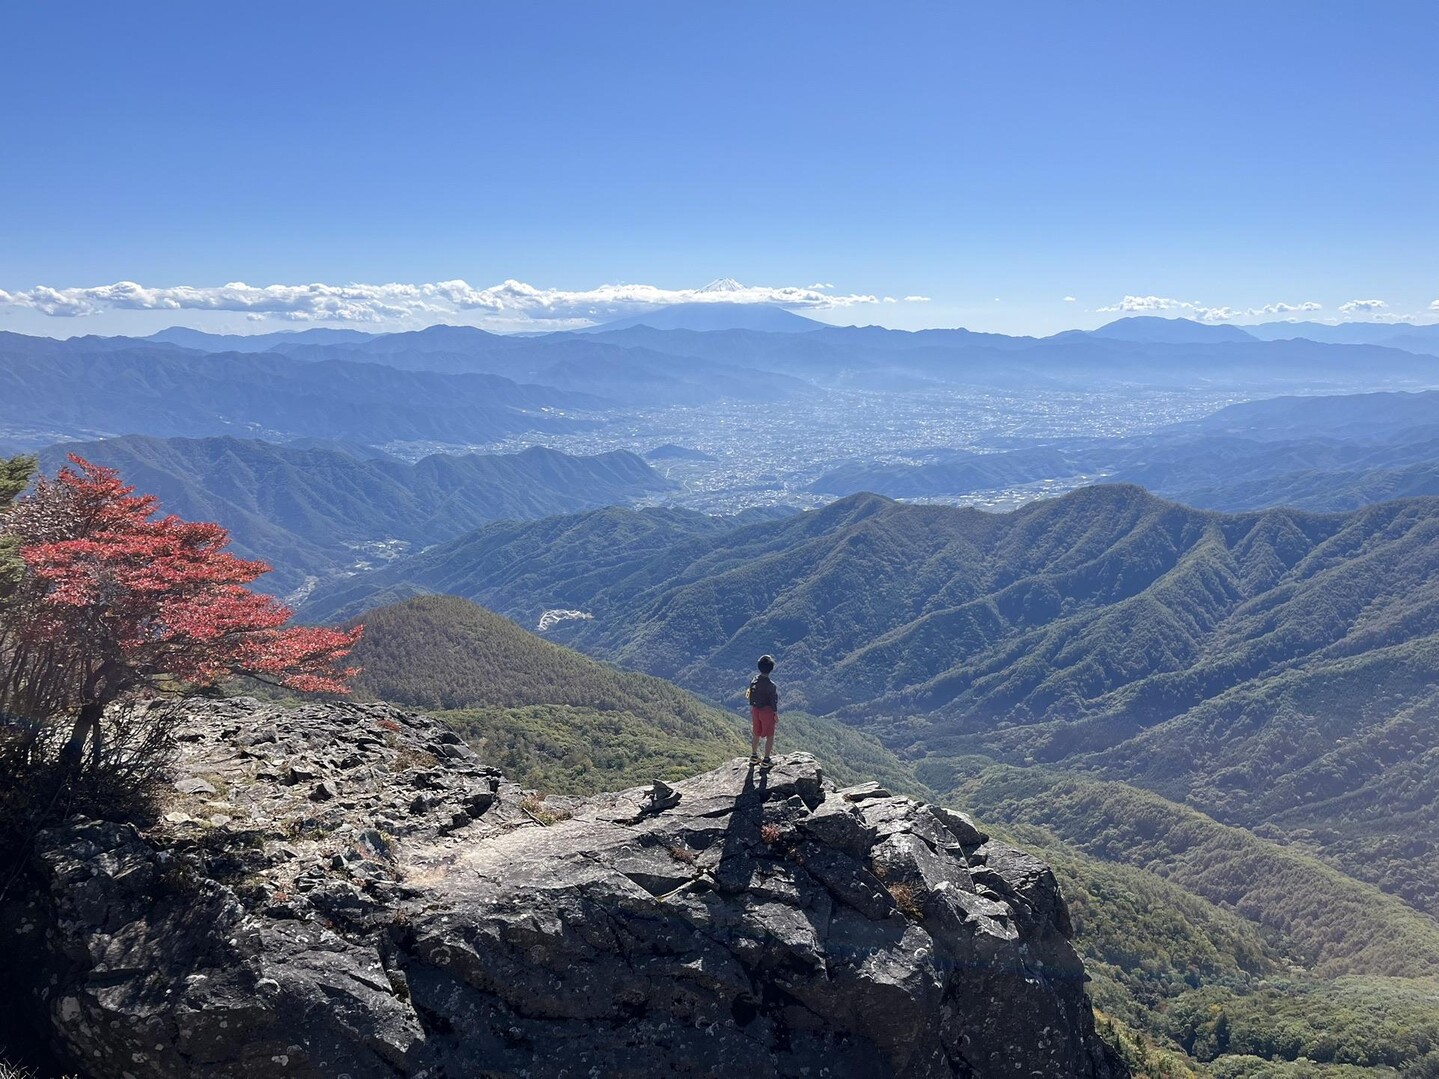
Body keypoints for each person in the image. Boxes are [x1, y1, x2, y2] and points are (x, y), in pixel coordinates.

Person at [746, 654, 779, 769]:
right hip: (767, 711)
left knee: (756, 733)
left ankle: (754, 756)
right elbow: (773, 701)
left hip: (755, 710)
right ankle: (766, 760)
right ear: (771, 669)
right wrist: (775, 713)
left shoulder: (754, 680)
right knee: (770, 735)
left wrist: (751, 706)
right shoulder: (771, 686)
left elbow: (749, 693)